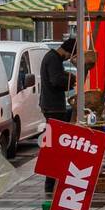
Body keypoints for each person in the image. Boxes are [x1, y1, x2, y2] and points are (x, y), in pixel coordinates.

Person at [40, 37, 77, 192]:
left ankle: (52, 181)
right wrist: (71, 79)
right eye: (70, 55)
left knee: (54, 145)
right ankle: (50, 183)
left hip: (51, 106)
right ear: (66, 50)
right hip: (53, 107)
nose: (69, 58)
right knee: (55, 147)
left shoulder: (52, 58)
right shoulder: (54, 59)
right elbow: (56, 80)